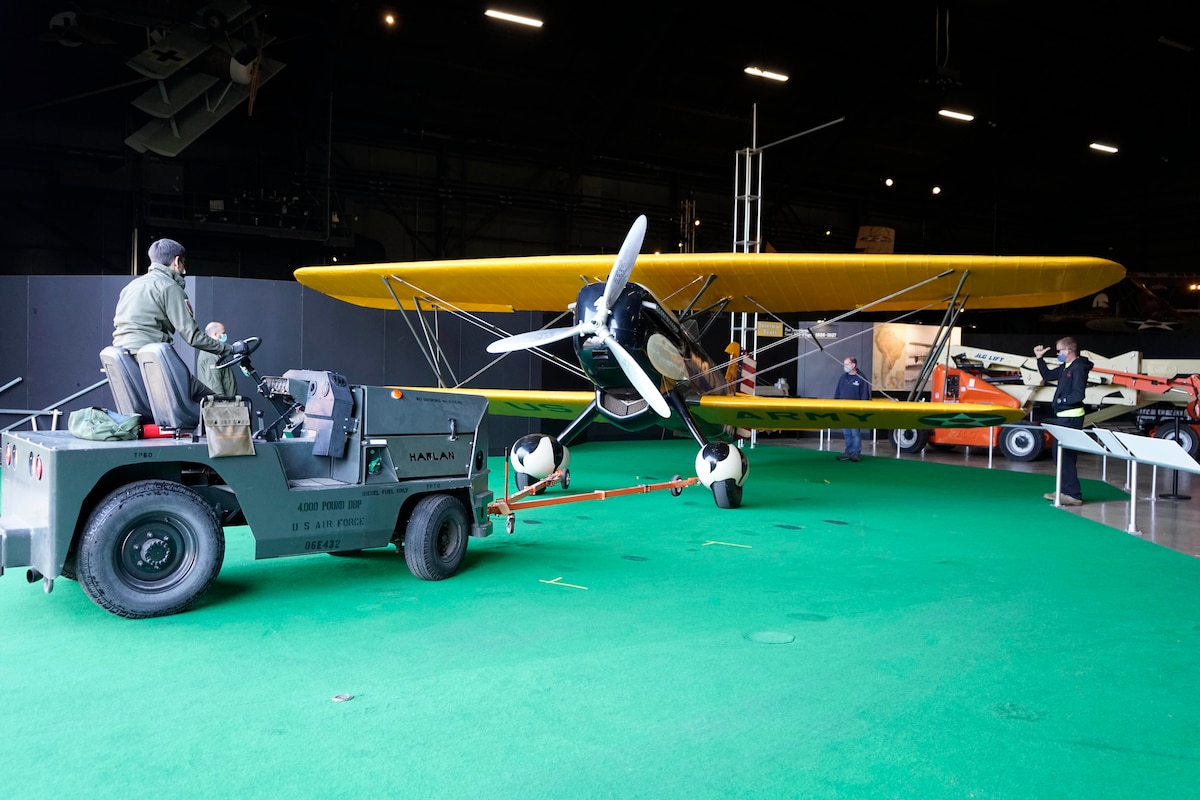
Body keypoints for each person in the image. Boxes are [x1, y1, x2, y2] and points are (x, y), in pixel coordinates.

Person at [112, 238, 238, 401]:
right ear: (177, 261)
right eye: (184, 263)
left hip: (123, 361)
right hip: (151, 360)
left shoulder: (130, 287)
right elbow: (193, 337)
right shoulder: (169, 287)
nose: (183, 269)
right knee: (213, 402)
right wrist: (231, 349)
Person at [1034, 336, 1092, 506]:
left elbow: (1078, 394)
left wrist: (1060, 401)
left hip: (1072, 417)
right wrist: (1039, 358)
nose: (1057, 353)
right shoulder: (1065, 366)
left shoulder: (1078, 367)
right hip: (1063, 417)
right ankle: (1065, 491)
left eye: (1058, 351)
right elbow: (1047, 375)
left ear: (1068, 351)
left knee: (1065, 456)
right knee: (1059, 455)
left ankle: (1073, 494)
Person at [834, 356, 871, 461]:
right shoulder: (843, 378)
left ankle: (856, 453)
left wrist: (863, 410)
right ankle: (848, 452)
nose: (844, 366)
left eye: (846, 364)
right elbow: (837, 393)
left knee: (855, 433)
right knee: (846, 433)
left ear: (853, 365)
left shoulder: (861, 378)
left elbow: (865, 395)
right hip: (843, 410)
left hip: (855, 412)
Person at [196, 321, 238, 398]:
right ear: (215, 334)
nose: (224, 336)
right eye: (223, 333)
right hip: (221, 405)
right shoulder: (211, 355)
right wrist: (221, 403)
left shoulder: (214, 353)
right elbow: (214, 384)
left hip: (225, 403)